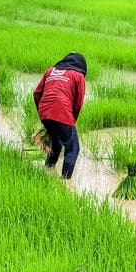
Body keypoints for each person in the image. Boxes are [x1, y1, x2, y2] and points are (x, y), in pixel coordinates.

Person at [33, 52, 87, 180]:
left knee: (56, 143)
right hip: (62, 113)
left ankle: (48, 168)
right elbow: (78, 104)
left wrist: (44, 114)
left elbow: (36, 94)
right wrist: (71, 121)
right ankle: (65, 181)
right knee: (73, 148)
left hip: (45, 112)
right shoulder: (78, 76)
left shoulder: (50, 71)